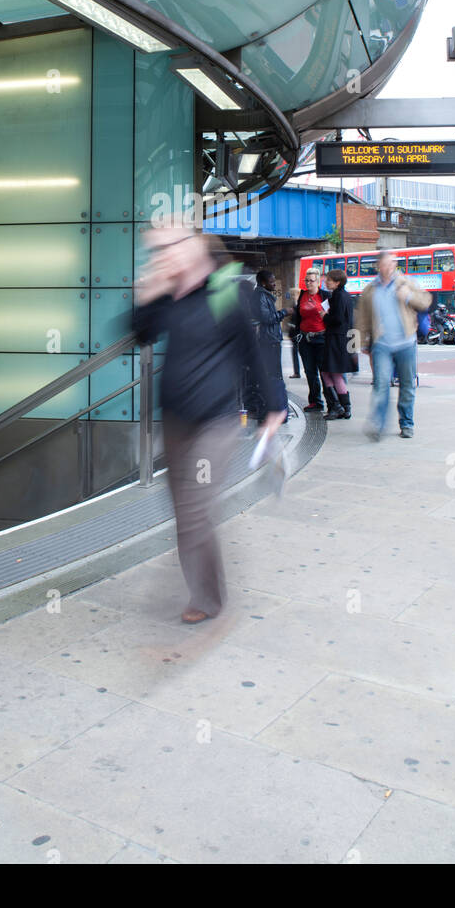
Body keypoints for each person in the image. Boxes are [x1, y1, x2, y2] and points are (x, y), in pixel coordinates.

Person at [132, 223, 285, 624]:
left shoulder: (227, 294)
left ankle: (207, 599)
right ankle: (202, 585)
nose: (161, 256)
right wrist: (144, 297)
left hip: (216, 421)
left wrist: (272, 408)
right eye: (156, 250)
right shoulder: (168, 295)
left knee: (196, 509)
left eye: (168, 248)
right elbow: (139, 335)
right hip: (175, 419)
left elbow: (253, 354)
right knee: (185, 512)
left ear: (194, 249)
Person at [356, 250, 431, 440]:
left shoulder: (406, 283)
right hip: (382, 343)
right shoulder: (370, 290)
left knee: (407, 385)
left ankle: (406, 424)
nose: (389, 267)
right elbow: (363, 318)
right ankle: (378, 425)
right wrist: (363, 342)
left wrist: (407, 297)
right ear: (378, 266)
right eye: (385, 264)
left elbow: (425, 301)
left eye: (392, 263)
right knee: (381, 384)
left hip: (406, 342)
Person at [253, 270, 289, 420]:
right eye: (272, 281)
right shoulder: (261, 296)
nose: (274, 284)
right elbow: (266, 318)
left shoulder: (263, 295)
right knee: (273, 376)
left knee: (273, 376)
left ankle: (274, 409)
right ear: (263, 283)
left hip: (271, 339)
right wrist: (284, 312)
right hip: (269, 341)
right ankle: (272, 410)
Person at [292, 267, 328, 412]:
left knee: (324, 372)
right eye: (306, 280)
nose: (308, 283)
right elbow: (298, 316)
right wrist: (296, 333)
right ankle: (315, 402)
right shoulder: (302, 295)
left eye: (311, 281)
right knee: (309, 371)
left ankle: (332, 403)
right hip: (305, 339)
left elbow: (330, 316)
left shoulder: (325, 296)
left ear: (318, 281)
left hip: (321, 338)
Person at [320, 269, 354, 420]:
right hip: (339, 339)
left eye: (329, 280)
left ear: (337, 282)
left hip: (336, 339)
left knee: (332, 373)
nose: (326, 282)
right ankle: (343, 407)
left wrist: (325, 316)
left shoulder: (339, 296)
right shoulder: (344, 295)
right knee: (330, 372)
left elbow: (338, 319)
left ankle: (341, 407)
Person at [284, 289, 302, 378]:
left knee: (300, 353)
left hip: (299, 333)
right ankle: (297, 372)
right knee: (295, 352)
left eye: (293, 295)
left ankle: (298, 372)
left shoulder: (300, 306)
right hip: (295, 333)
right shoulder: (294, 305)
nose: (292, 296)